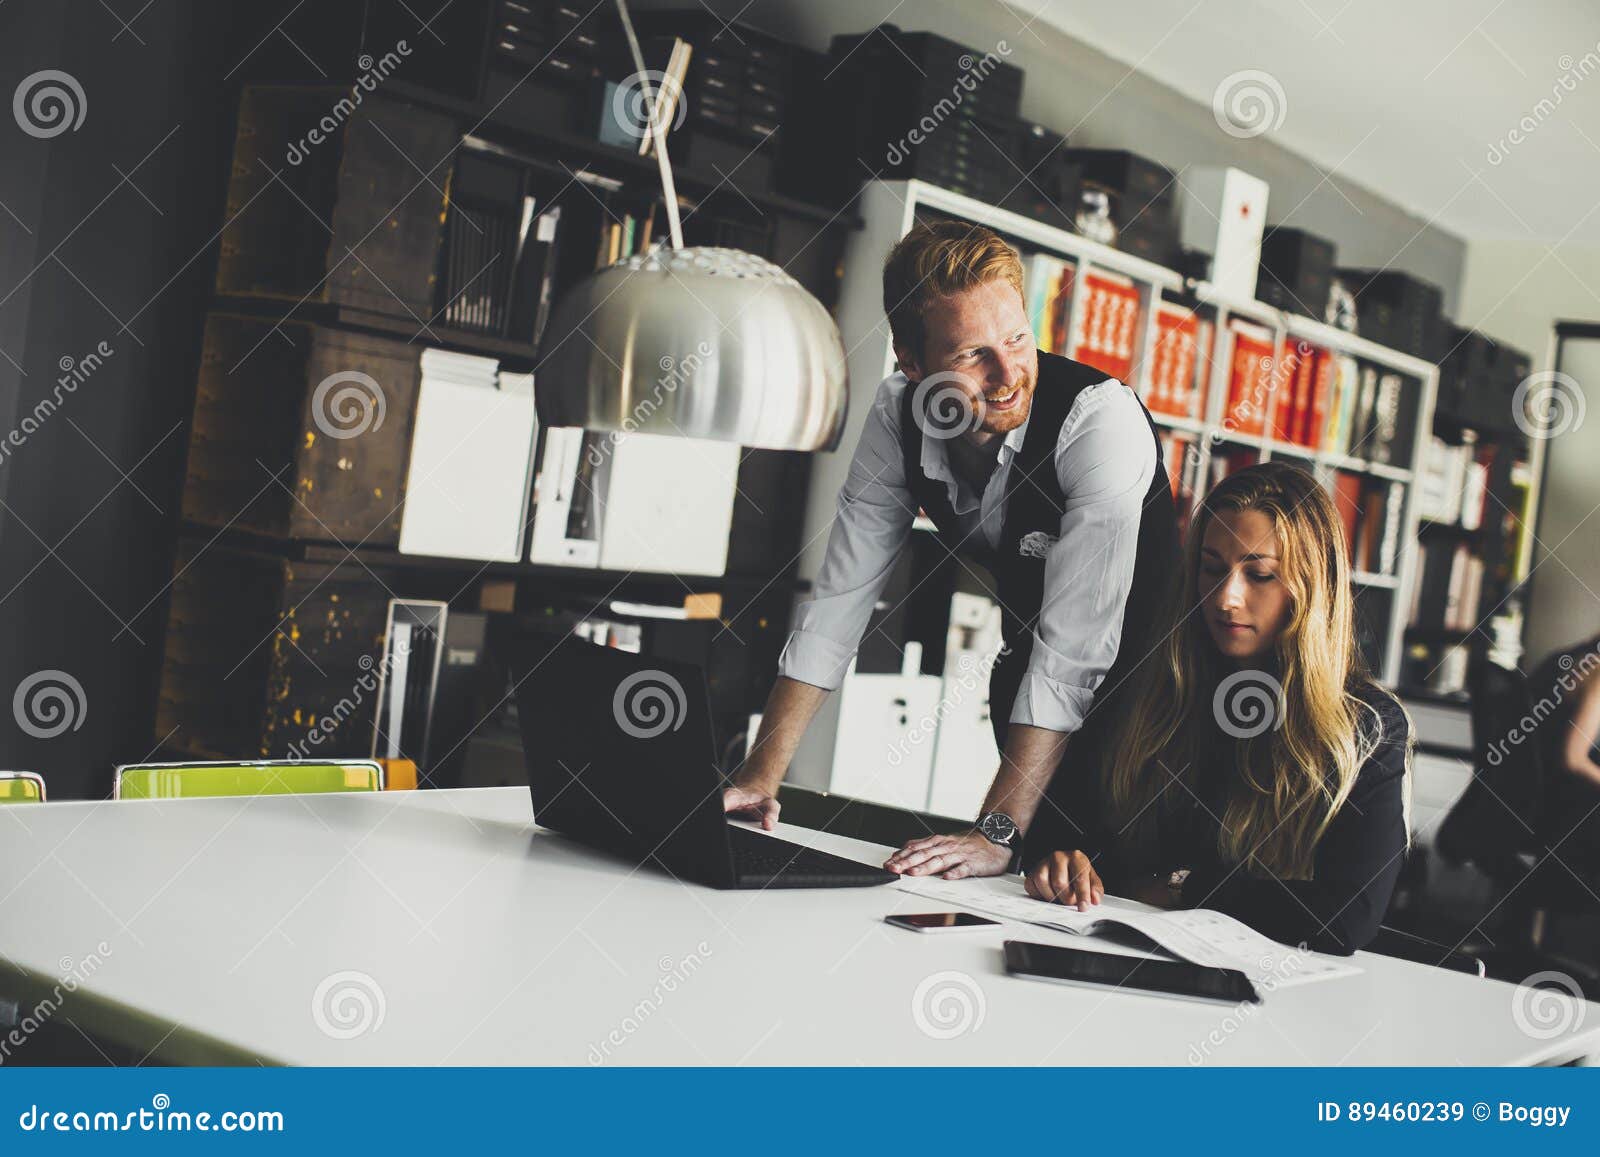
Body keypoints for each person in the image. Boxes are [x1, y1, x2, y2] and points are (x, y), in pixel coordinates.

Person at [723, 220, 1179, 877]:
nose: (1007, 374)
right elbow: (838, 604)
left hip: (1154, 723)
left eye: (1018, 339)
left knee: (1112, 898)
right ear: (912, 363)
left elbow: (1074, 651)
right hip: (1032, 700)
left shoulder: (1097, 423)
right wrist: (761, 773)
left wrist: (995, 831)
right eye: (973, 355)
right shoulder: (895, 416)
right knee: (1028, 896)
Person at [1025, 462, 1414, 955]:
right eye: (1212, 569)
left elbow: (1344, 919)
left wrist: (1182, 886)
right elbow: (1073, 838)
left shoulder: (1366, 725)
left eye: (1260, 575)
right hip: (1118, 956)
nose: (1226, 598)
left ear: (1311, 587)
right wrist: (1061, 862)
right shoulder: (1152, 686)